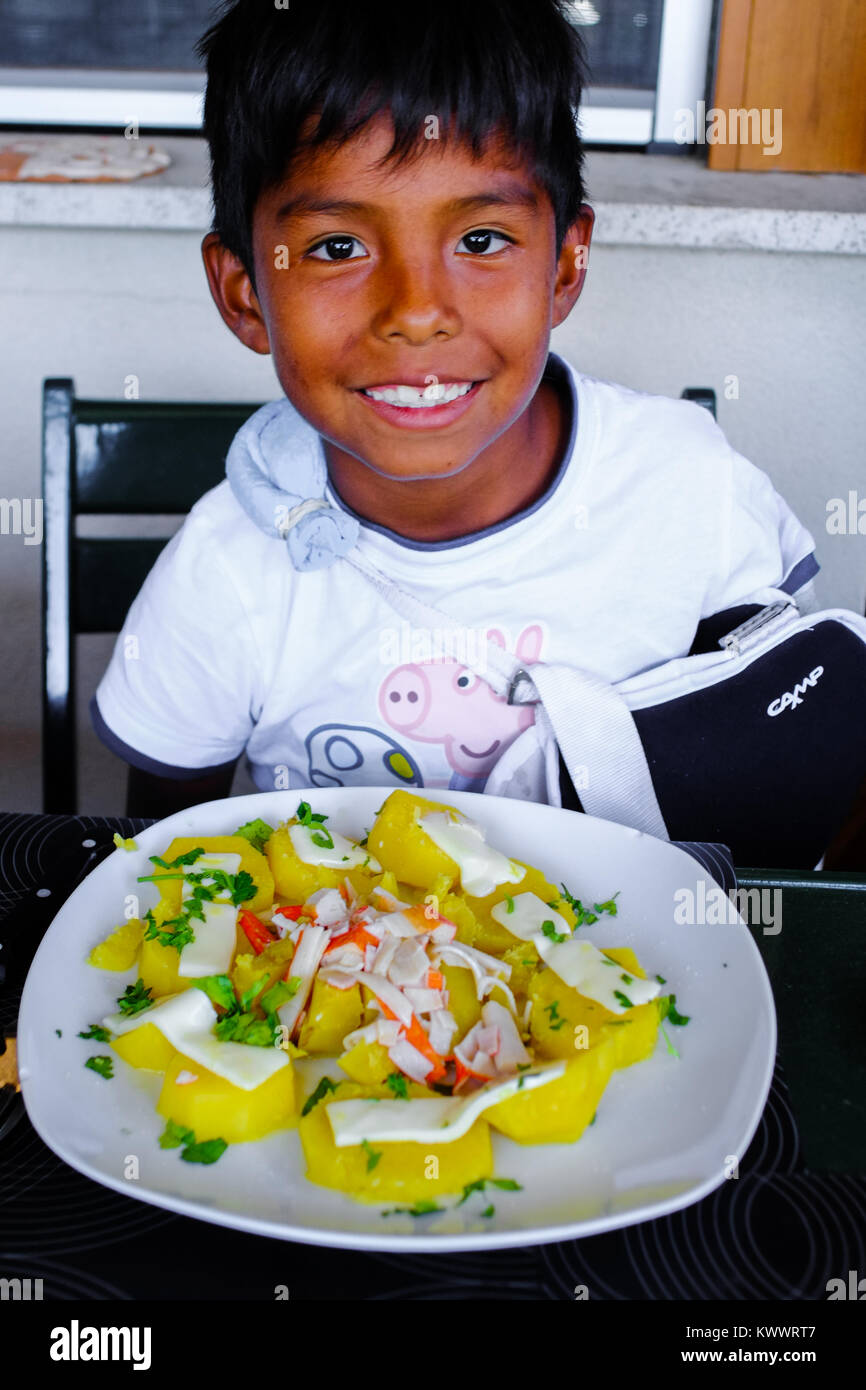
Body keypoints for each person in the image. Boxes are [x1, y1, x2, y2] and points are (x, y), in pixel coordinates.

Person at [91, 0, 819, 825]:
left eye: (480, 240)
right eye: (337, 247)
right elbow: (161, 863)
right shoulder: (226, 570)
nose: (417, 310)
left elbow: (787, 762)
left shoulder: (690, 491)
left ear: (567, 263)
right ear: (244, 293)